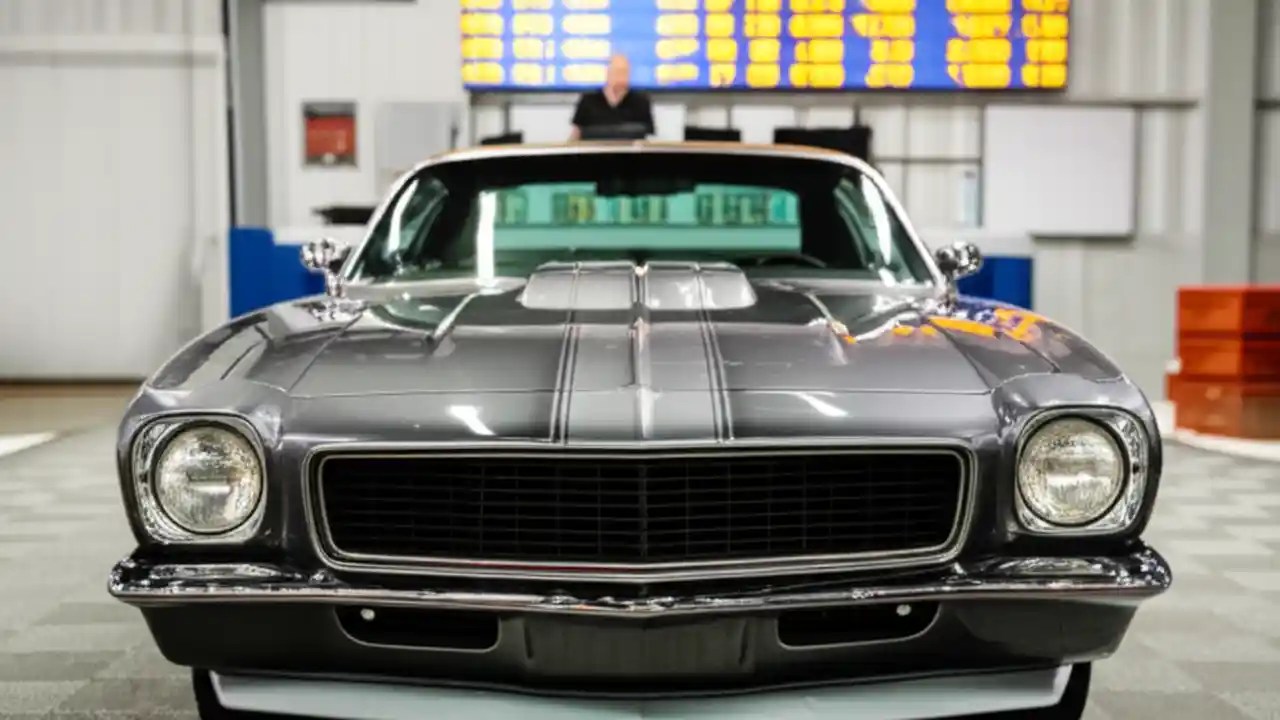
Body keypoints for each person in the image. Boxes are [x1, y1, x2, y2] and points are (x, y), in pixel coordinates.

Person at [570, 54, 654, 140]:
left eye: (625, 72)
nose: (621, 77)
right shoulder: (588, 101)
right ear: (608, 73)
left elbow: (648, 138)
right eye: (618, 72)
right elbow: (576, 135)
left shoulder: (641, 103)